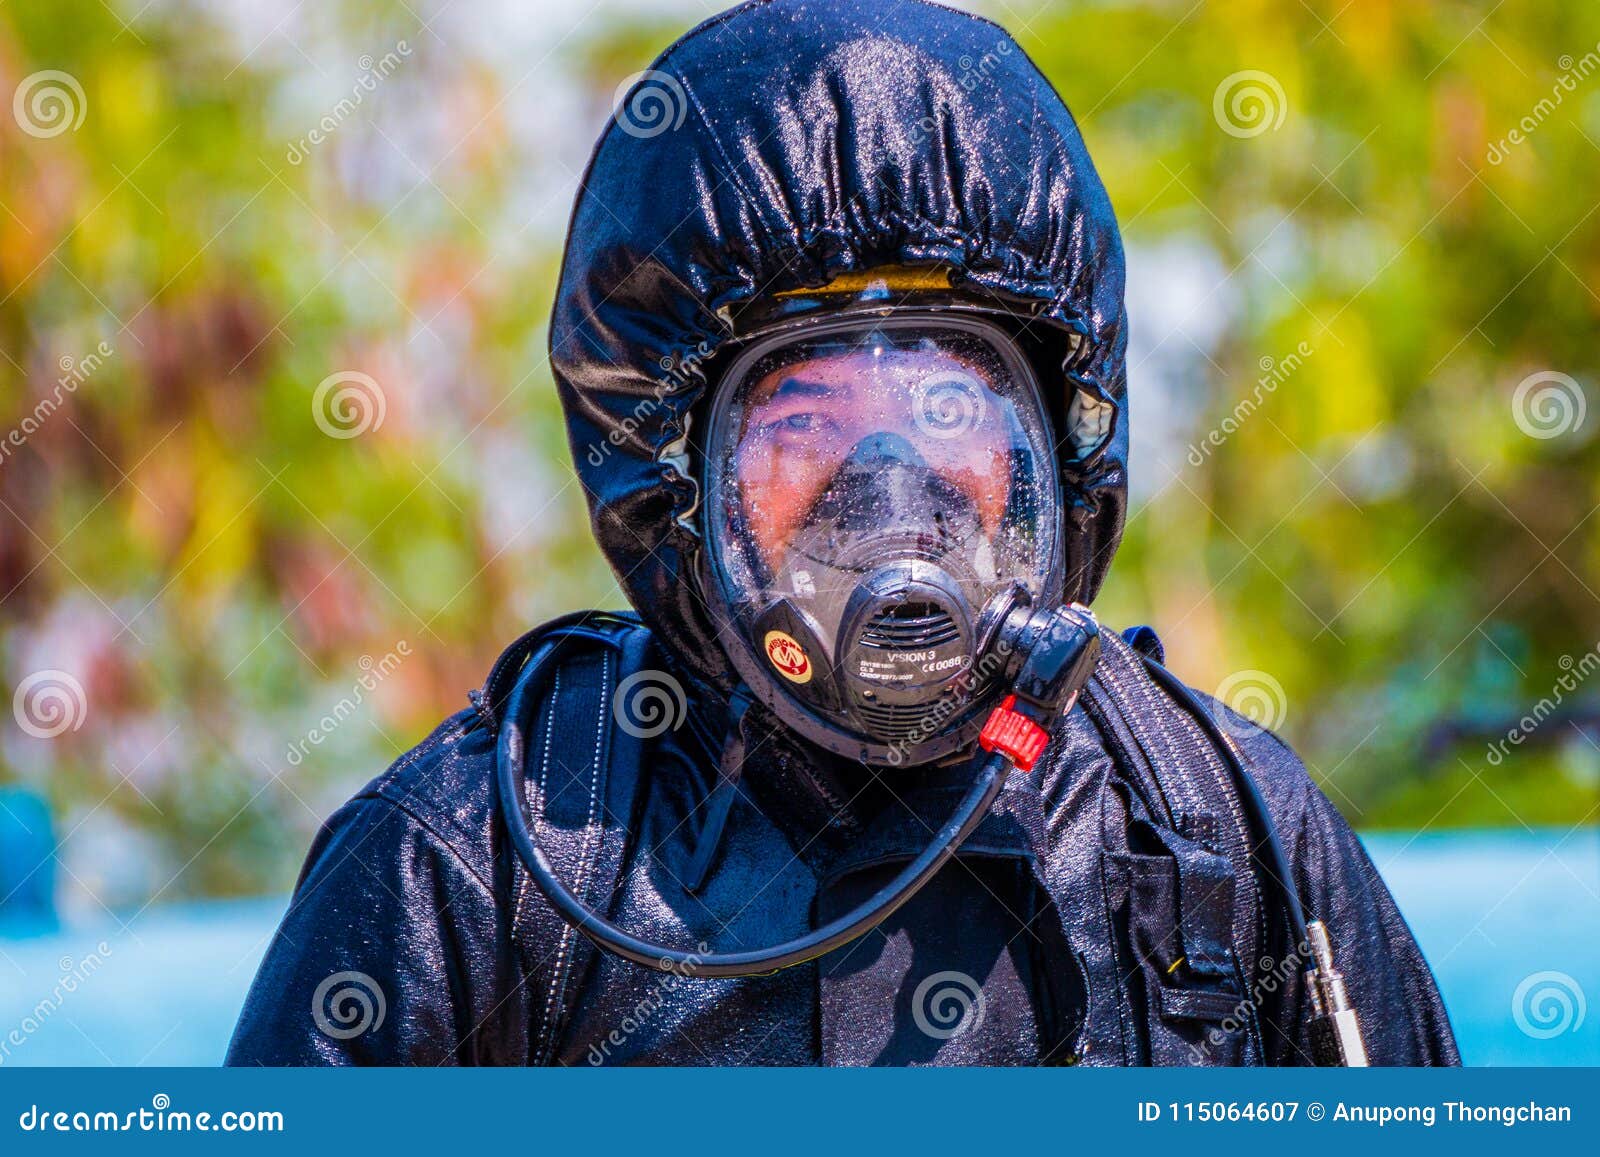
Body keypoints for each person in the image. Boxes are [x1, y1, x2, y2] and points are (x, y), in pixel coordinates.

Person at [228, 0, 1458, 1067]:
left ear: (1056, 453)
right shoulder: (488, 861)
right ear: (678, 487)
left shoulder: (1217, 822)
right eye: (807, 417)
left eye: (944, 405)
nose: (888, 484)